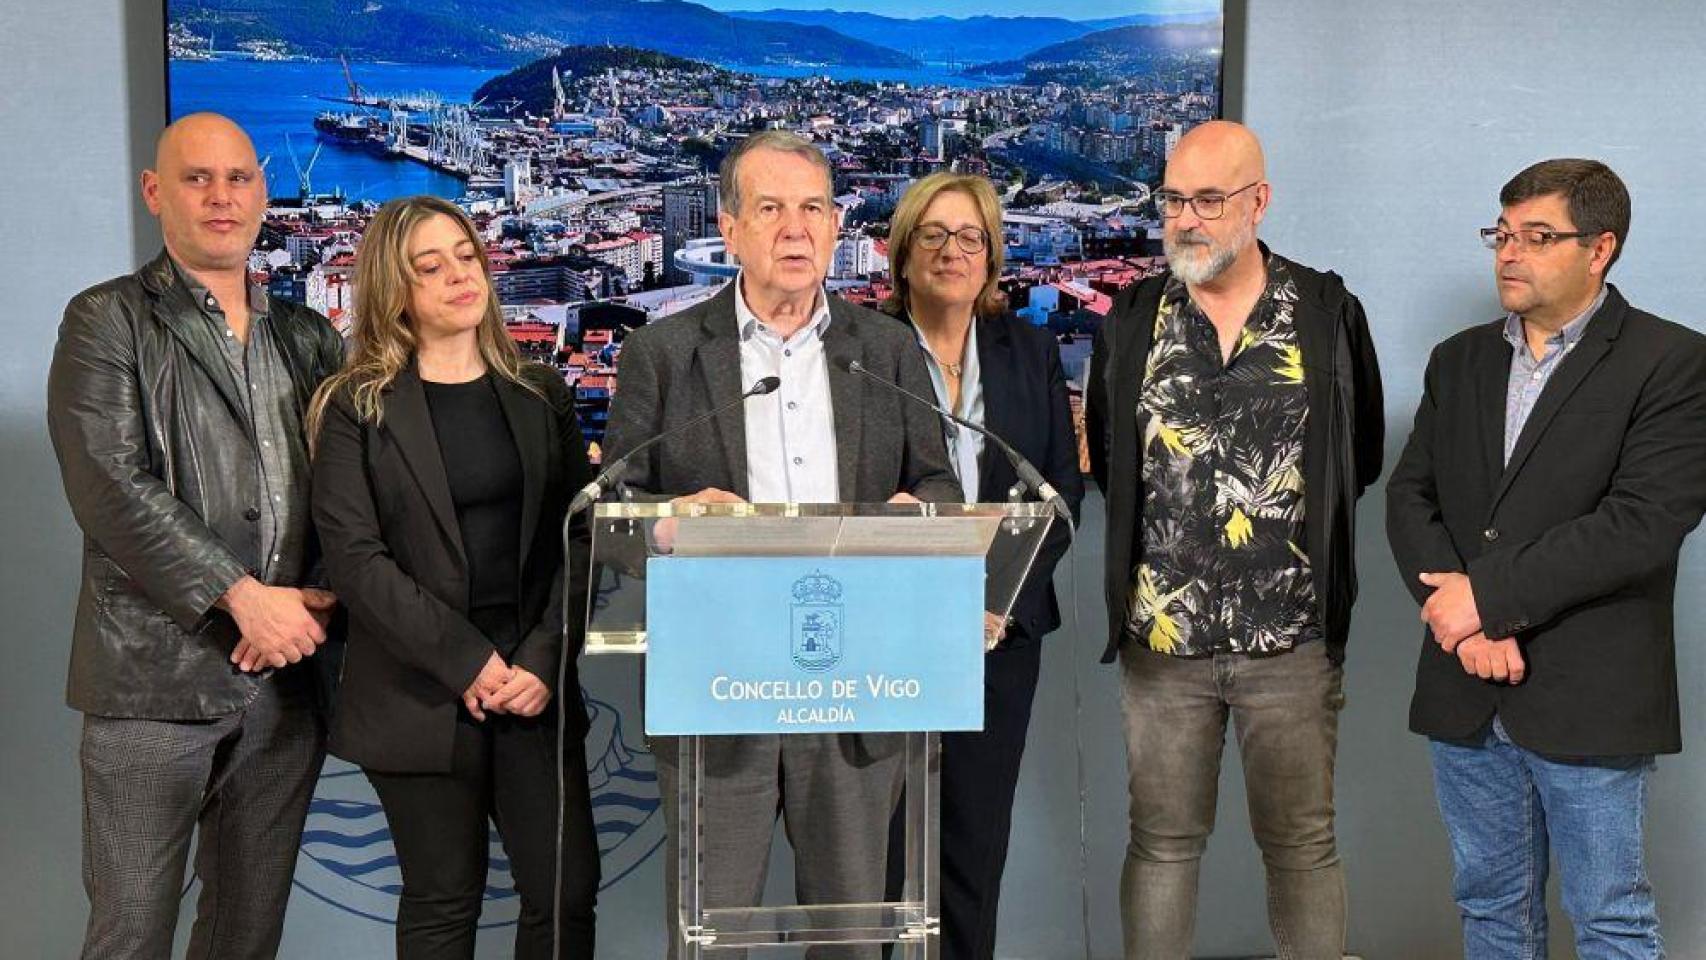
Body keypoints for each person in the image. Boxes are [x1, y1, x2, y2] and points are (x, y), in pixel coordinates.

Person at [602, 129, 960, 958]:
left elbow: (939, 483)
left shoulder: (886, 350)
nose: (796, 230)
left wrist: (918, 514)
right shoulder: (662, 353)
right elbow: (608, 508)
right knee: (710, 938)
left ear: (839, 227)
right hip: (715, 687)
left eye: (813, 209)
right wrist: (668, 523)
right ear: (730, 231)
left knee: (848, 935)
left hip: (859, 686)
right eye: (771, 210)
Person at [1387, 158, 1706, 959]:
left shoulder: (1672, 363)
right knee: (1491, 911)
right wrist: (1466, 628)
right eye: (1502, 234)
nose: (1508, 254)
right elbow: (1410, 499)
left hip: (1589, 694)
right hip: (1466, 685)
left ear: (1600, 249)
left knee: (1611, 919)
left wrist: (1484, 600)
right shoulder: (1459, 360)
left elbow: (1642, 524)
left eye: (1537, 237)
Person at [46, 112, 344, 959]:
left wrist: (319, 601)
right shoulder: (105, 320)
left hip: (286, 684)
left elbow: (350, 488)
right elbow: (107, 484)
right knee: (131, 931)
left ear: (263, 192)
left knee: (247, 935)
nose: (222, 197)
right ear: (153, 193)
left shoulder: (310, 335)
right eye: (196, 178)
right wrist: (242, 598)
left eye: (240, 178)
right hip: (151, 680)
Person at [1085, 120, 1384, 959]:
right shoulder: (1135, 317)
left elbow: (1356, 456)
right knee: (1162, 845)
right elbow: (1116, 461)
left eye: (1208, 200)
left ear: (1258, 202)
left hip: (1290, 640)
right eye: (1174, 199)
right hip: (1162, 644)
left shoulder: (1325, 311)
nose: (1186, 219)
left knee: (1301, 848)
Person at [308, 195, 600, 959]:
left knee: (566, 897)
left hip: (533, 690)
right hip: (417, 689)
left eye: (465, 257)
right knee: (443, 903)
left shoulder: (543, 393)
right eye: (427, 267)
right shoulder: (353, 407)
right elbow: (355, 560)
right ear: (392, 291)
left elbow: (580, 540)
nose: (457, 277)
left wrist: (541, 659)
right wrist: (467, 661)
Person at [877, 171, 1083, 959]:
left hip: (999, 637)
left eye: (971, 237)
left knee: (973, 856)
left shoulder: (1029, 353)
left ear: (993, 256)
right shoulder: (860, 352)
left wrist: (994, 599)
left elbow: (1059, 497)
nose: (952, 251)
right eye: (933, 234)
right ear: (902, 252)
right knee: (876, 858)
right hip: (886, 638)